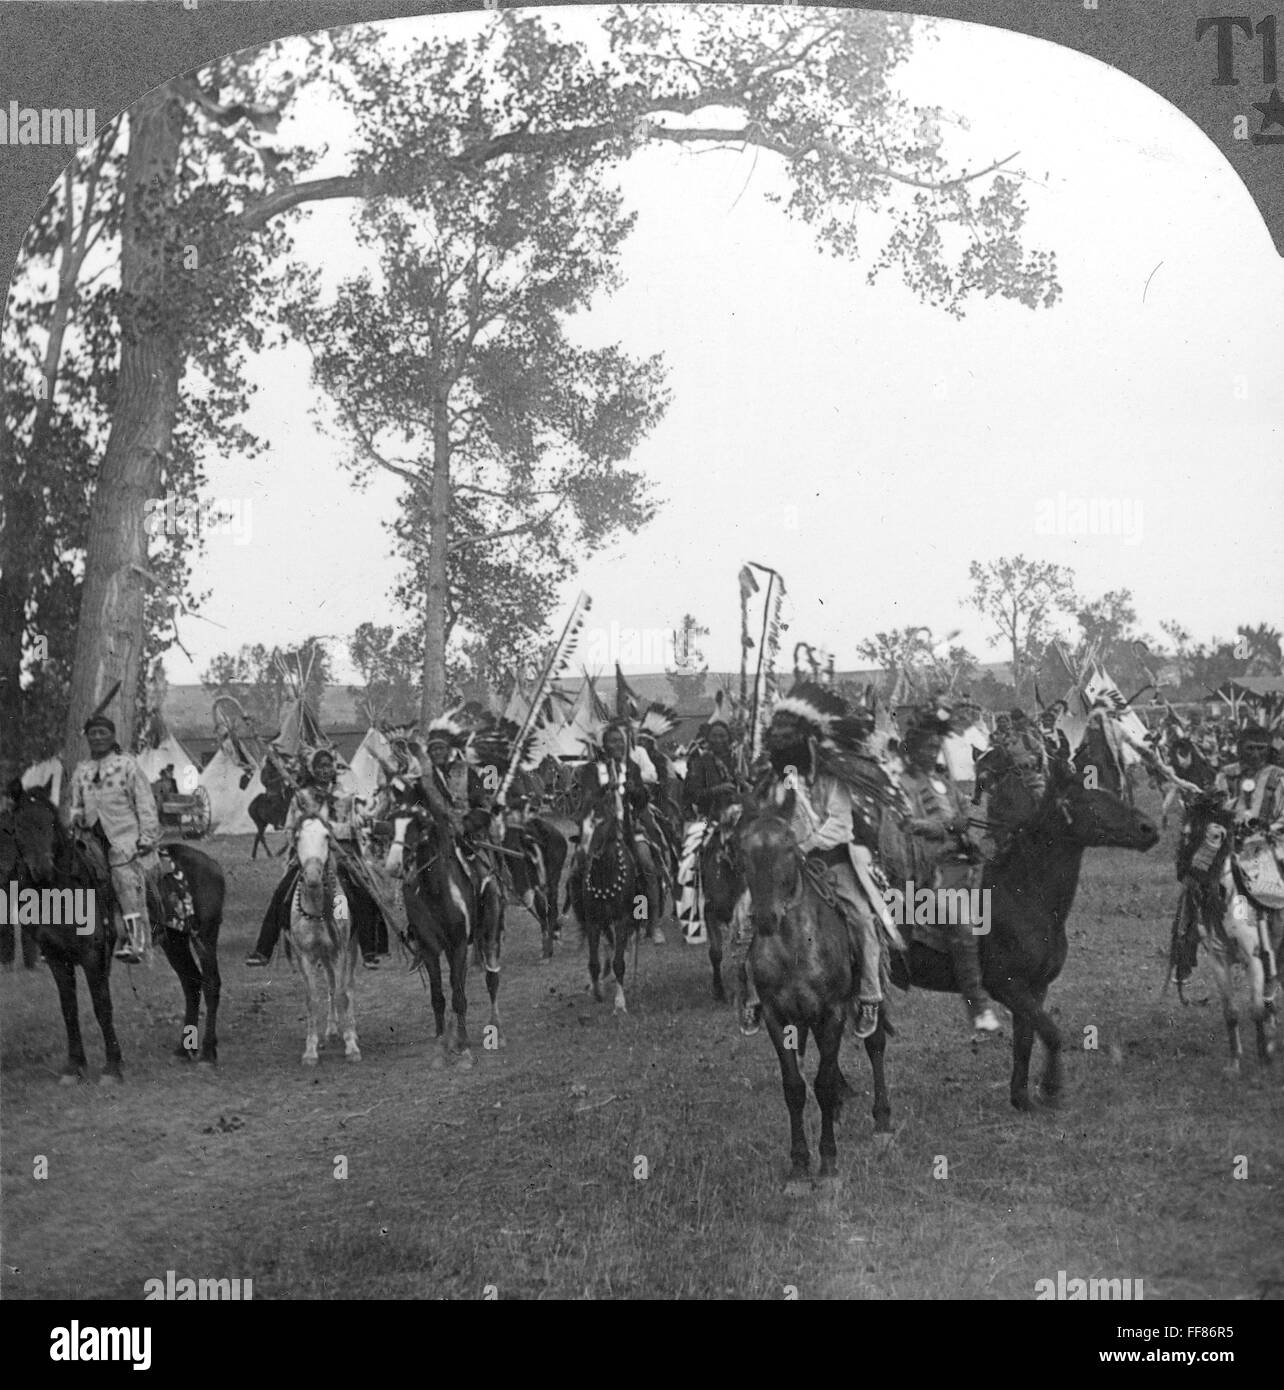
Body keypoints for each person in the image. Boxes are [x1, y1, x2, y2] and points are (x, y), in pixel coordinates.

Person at [732, 684, 900, 1040]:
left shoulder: (832, 779)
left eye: (789, 737)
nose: (783, 744)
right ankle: (752, 996)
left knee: (862, 918)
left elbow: (839, 824)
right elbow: (770, 820)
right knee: (747, 915)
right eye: (777, 739)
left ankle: (869, 994)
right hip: (783, 864)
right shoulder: (775, 782)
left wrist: (804, 845)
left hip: (833, 860)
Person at [898, 704, 1001, 1035]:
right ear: (910, 750)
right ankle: (977, 1005)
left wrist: (967, 831)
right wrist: (946, 826)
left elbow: (963, 816)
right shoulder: (903, 785)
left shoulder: (944, 782)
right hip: (926, 870)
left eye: (934, 746)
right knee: (962, 924)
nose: (931, 752)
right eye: (925, 747)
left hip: (961, 862)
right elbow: (906, 824)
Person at [246, 747, 389, 969]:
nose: (325, 770)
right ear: (312, 770)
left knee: (361, 893)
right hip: (310, 856)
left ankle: (369, 949)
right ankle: (263, 949)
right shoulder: (301, 798)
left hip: (341, 856)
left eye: (328, 765)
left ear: (334, 768)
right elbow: (289, 828)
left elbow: (357, 826)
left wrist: (337, 831)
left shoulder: (345, 797)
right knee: (281, 894)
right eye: (320, 766)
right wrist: (307, 834)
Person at [68, 714, 161, 963]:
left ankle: (137, 942)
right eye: (93, 733)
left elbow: (145, 803)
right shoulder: (82, 771)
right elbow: (76, 804)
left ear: (112, 737)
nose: (97, 737)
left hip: (125, 840)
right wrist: (76, 816)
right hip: (89, 839)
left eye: (103, 733)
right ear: (87, 738)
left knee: (125, 881)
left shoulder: (126, 766)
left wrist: (147, 838)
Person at [574, 719, 668, 944]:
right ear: (603, 745)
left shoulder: (632, 768)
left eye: (621, 741)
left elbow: (642, 803)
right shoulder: (590, 770)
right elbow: (587, 798)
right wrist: (604, 790)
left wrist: (637, 792)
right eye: (612, 741)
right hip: (598, 828)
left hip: (628, 827)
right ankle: (585, 922)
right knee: (578, 865)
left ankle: (647, 921)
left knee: (646, 865)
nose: (617, 746)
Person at [676, 703, 745, 942]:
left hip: (737, 818)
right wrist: (716, 790)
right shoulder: (700, 762)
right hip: (708, 819)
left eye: (722, 736)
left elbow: (746, 786)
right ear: (708, 738)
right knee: (688, 860)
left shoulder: (738, 761)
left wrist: (744, 788)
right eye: (714, 736)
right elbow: (691, 794)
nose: (718, 740)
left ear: (728, 739)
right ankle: (693, 913)